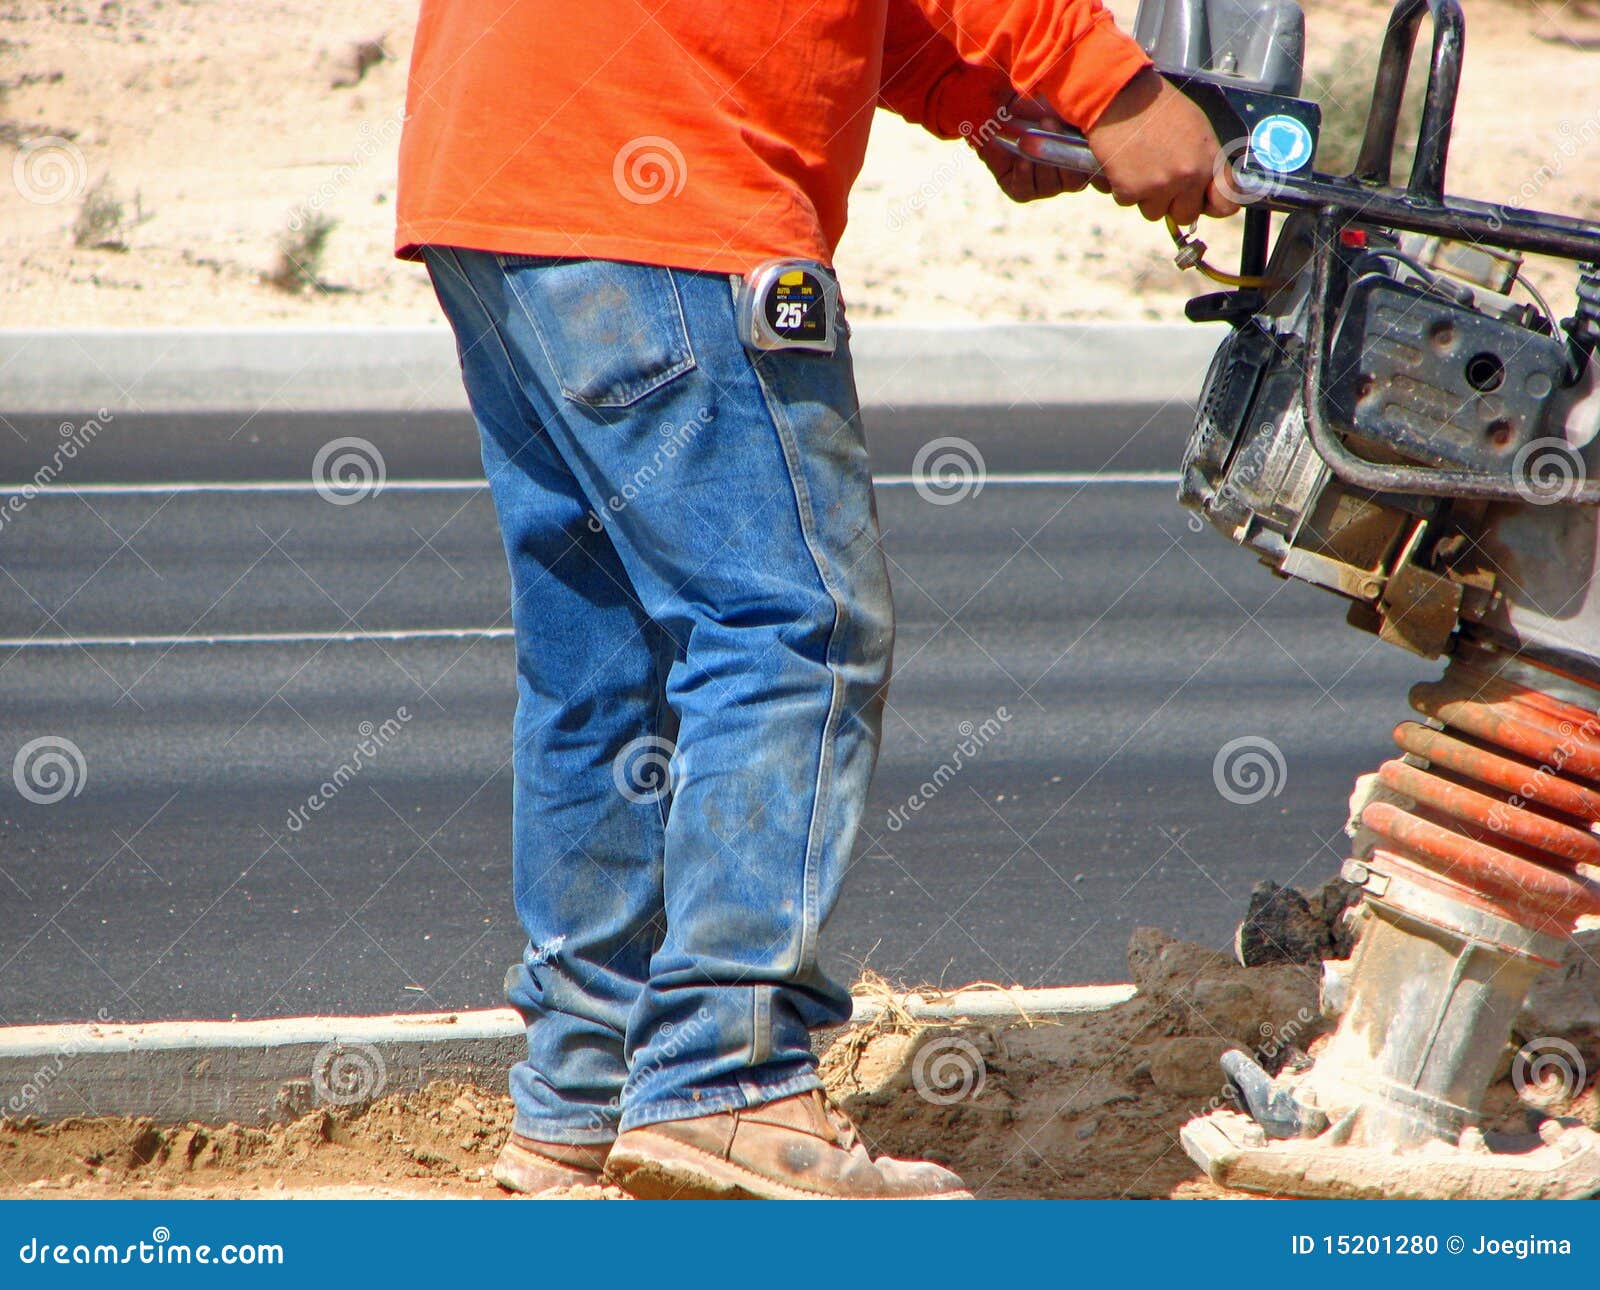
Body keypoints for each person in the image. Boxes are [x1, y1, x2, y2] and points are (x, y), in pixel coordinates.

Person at [395, 0, 1237, 1200]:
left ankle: (580, 1096)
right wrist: (1118, 92)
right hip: (665, 193)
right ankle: (722, 1079)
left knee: (604, 658)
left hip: (501, 177)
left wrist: (976, 99)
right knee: (791, 626)